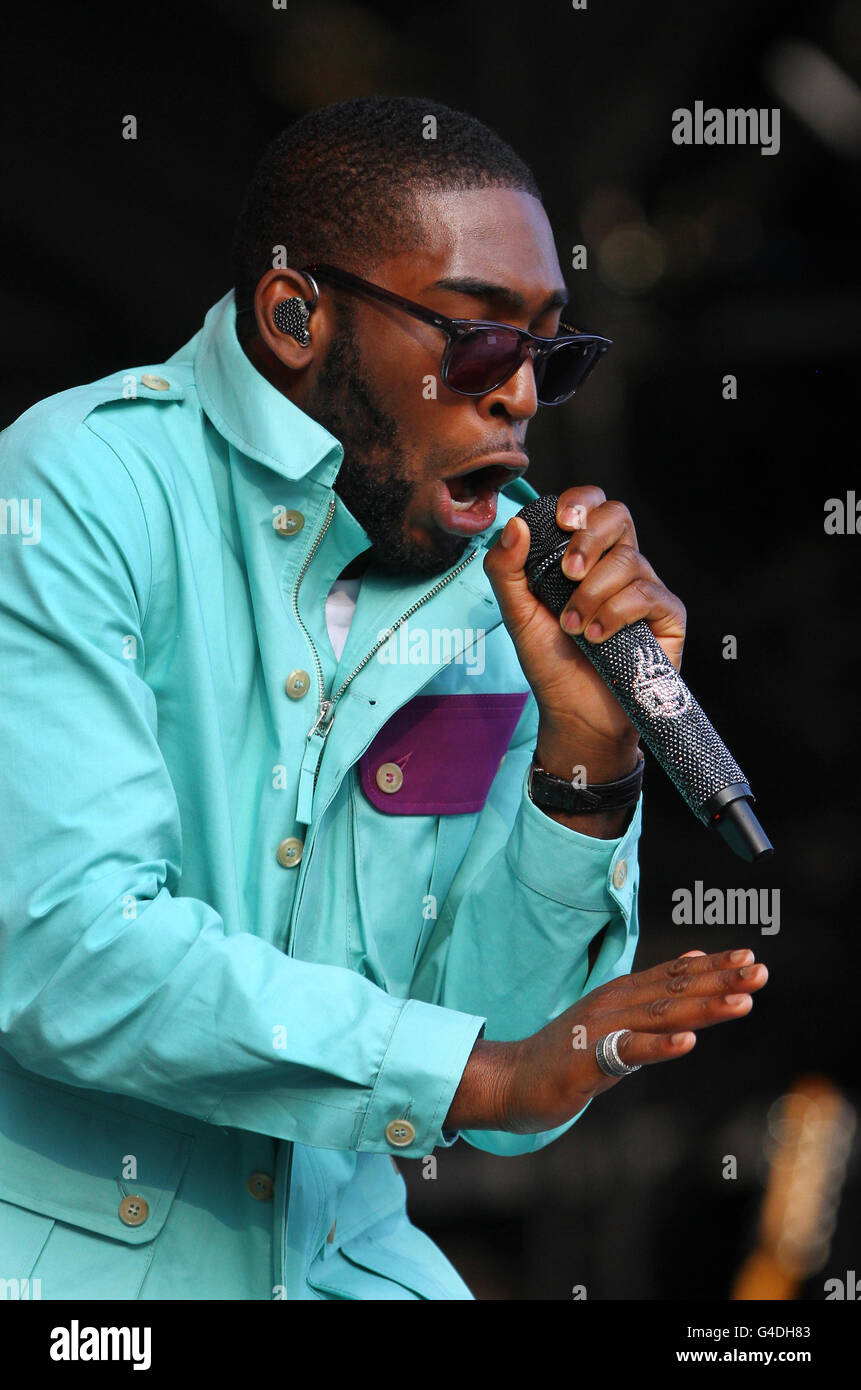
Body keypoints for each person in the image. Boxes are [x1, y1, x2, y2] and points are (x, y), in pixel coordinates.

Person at [0, 95, 767, 1301]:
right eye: (477, 342)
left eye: (549, 355)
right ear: (295, 314)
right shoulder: (84, 491)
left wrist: (585, 766)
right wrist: (475, 1074)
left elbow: (515, 1092)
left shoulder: (505, 594)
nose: (519, 396)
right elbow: (61, 945)